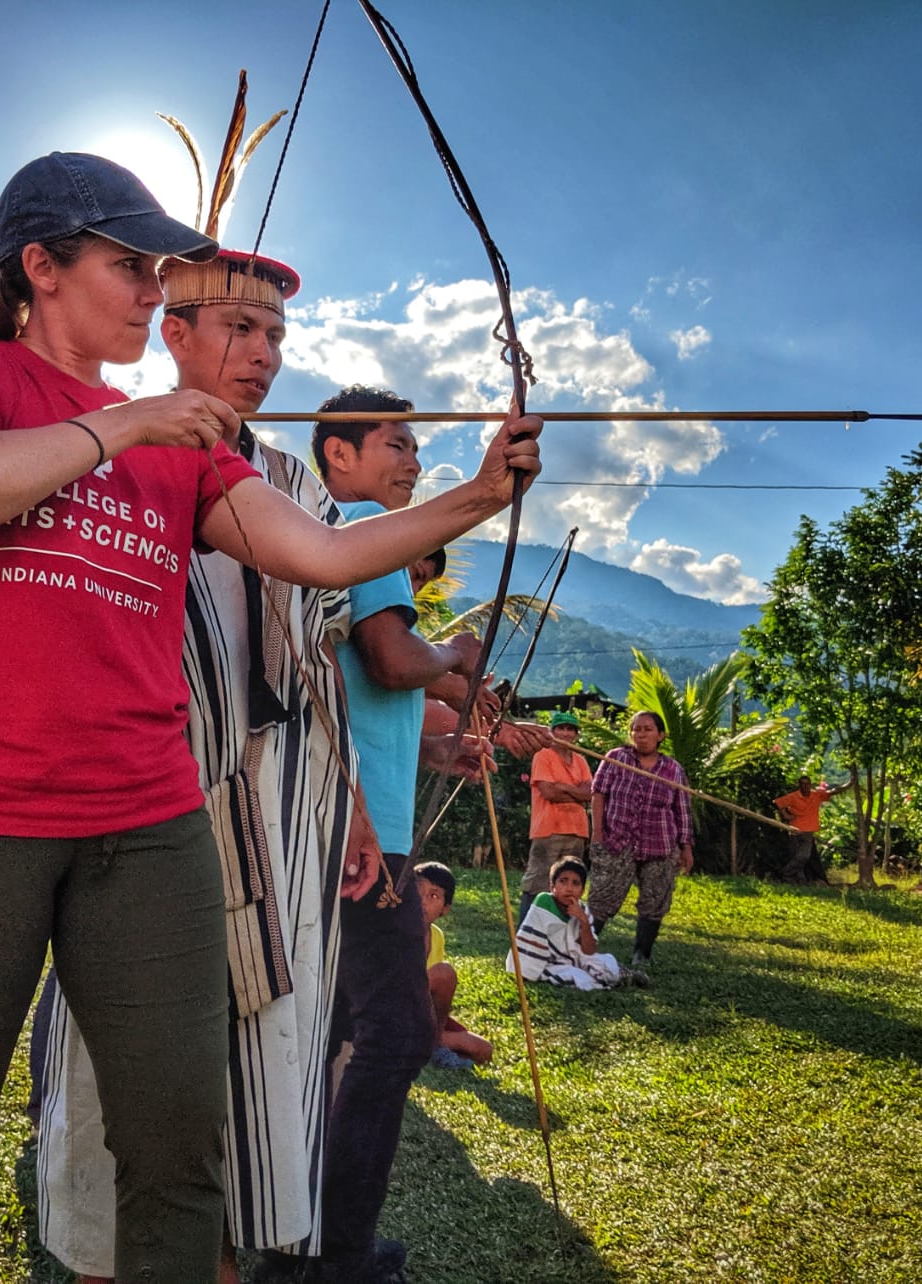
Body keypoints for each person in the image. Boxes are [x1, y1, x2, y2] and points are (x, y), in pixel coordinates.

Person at [0, 152, 540, 1283]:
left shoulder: (184, 447)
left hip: (146, 823)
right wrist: (129, 425)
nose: (150, 291)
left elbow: (318, 551)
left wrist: (479, 492)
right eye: (131, 266)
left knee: (176, 1149)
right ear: (42, 266)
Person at [35, 239, 372, 1281]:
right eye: (237, 326)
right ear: (167, 331)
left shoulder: (288, 488)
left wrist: (351, 807)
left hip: (271, 812)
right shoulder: (100, 454)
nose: (263, 352)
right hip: (137, 809)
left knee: (257, 1068)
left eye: (275, 334)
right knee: (116, 1073)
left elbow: (316, 667)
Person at [271, 384, 501, 1284]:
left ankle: (295, 1237)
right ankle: (340, 1258)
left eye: (415, 446)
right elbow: (394, 659)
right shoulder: (365, 527)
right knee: (398, 1034)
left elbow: (366, 696)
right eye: (397, 443)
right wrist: (455, 657)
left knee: (328, 1033)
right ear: (340, 455)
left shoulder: (343, 535)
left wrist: (441, 751)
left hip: (343, 816)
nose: (412, 460)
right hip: (361, 834)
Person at [586, 710, 694, 976]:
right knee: (602, 896)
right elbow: (598, 794)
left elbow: (682, 809)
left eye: (647, 729)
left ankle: (641, 955)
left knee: (655, 899)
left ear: (660, 735)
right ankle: (582, 949)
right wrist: (597, 832)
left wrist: (686, 846)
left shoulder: (672, 770)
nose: (641, 734)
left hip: (660, 844)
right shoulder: (616, 759)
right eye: (637, 729)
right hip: (617, 839)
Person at [415, 861, 493, 1069]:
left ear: (445, 909)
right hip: (393, 1011)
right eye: (417, 891)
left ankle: (430, 1042)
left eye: (433, 896)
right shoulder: (394, 929)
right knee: (444, 973)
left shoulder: (437, 937)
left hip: (422, 1017)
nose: (422, 901)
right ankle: (429, 1045)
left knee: (483, 1050)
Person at [508, 857, 630, 990]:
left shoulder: (582, 909)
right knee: (579, 978)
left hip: (575, 958)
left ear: (582, 890)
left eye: (576, 883)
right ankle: (615, 976)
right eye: (563, 881)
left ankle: (625, 974)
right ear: (552, 886)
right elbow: (531, 941)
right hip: (549, 962)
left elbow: (589, 950)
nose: (569, 888)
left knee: (606, 967)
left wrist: (583, 920)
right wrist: (525, 972)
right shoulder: (544, 902)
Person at [519, 710, 592, 926]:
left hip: (577, 830)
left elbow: (589, 794)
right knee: (538, 881)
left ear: (576, 735)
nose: (565, 733)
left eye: (570, 729)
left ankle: (558, 929)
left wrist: (563, 787)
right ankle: (526, 929)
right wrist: (575, 791)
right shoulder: (543, 756)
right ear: (552, 731)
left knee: (568, 884)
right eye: (561, 728)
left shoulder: (581, 761)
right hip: (549, 829)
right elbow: (548, 792)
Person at [773, 773, 846, 883]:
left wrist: (849, 784)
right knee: (795, 856)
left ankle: (786, 873)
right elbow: (778, 802)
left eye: (807, 784)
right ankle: (797, 880)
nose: (805, 786)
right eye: (803, 784)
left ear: (810, 785)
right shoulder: (793, 796)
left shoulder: (816, 795)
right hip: (794, 830)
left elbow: (832, 792)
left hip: (808, 831)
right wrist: (785, 815)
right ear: (799, 785)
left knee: (804, 856)